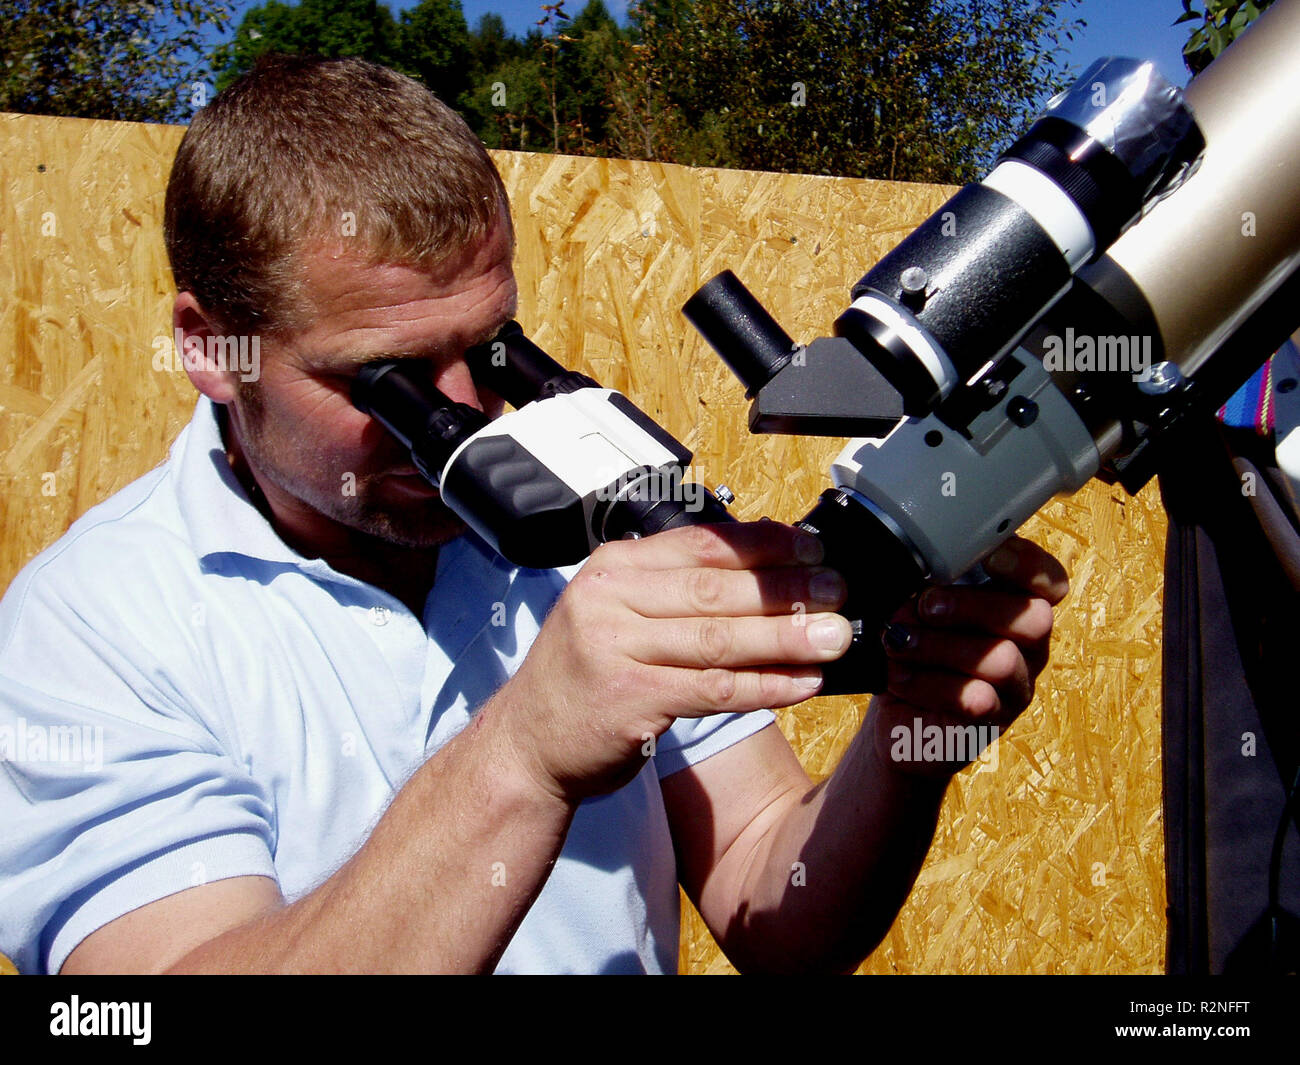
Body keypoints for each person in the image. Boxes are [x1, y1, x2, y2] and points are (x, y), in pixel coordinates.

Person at [0, 54, 1068, 975]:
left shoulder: (592, 537)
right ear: (211, 346)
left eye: (490, 350)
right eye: (390, 381)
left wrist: (913, 736)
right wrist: (522, 753)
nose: (464, 415)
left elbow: (772, 904)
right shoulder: (93, 627)